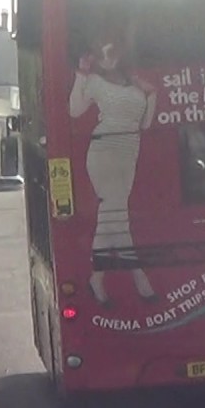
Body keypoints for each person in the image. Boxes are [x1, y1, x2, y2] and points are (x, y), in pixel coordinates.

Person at [69, 37, 158, 308]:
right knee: (115, 212)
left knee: (112, 217)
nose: (108, 58)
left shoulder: (135, 85)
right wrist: (81, 75)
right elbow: (73, 111)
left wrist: (152, 94)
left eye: (112, 52)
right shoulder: (94, 82)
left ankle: (98, 278)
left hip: (128, 151)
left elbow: (145, 124)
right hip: (104, 150)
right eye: (102, 54)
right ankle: (140, 278)